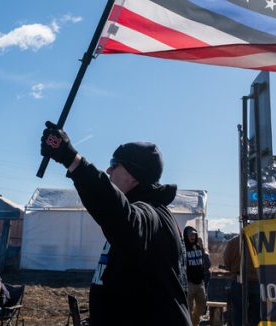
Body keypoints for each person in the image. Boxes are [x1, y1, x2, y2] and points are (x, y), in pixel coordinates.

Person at [41, 121, 191, 326]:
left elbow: (123, 219)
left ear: (134, 174)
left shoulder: (151, 215)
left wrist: (73, 160)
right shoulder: (142, 211)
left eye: (115, 163)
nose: (109, 170)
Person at [224, 234, 259, 326]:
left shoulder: (233, 242)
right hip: (256, 281)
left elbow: (227, 261)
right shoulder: (258, 240)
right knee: (256, 313)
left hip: (238, 280)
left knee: (238, 312)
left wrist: (233, 270)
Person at [183, 226, 210, 324]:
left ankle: (195, 322)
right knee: (188, 308)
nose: (192, 237)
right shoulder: (184, 249)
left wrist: (203, 275)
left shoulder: (199, 248)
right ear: (186, 236)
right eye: (190, 235)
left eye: (194, 234)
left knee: (201, 307)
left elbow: (204, 263)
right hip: (189, 283)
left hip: (200, 283)